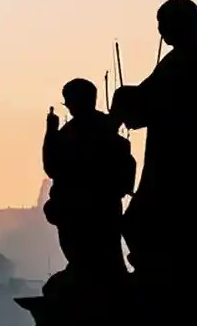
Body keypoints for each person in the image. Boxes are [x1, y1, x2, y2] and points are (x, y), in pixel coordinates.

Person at [111, 0, 197, 288]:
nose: (161, 33)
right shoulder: (181, 59)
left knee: (141, 223)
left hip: (182, 161)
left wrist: (126, 99)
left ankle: (160, 280)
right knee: (139, 224)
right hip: (171, 157)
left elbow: (159, 99)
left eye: (163, 24)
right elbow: (152, 95)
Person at [42, 79, 135, 294]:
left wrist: (52, 135)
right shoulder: (89, 128)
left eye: (71, 102)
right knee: (81, 244)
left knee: (98, 246)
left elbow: (54, 166)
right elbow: (53, 167)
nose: (71, 107)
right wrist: (51, 133)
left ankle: (90, 273)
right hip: (80, 203)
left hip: (93, 202)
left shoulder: (99, 129)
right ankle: (83, 270)